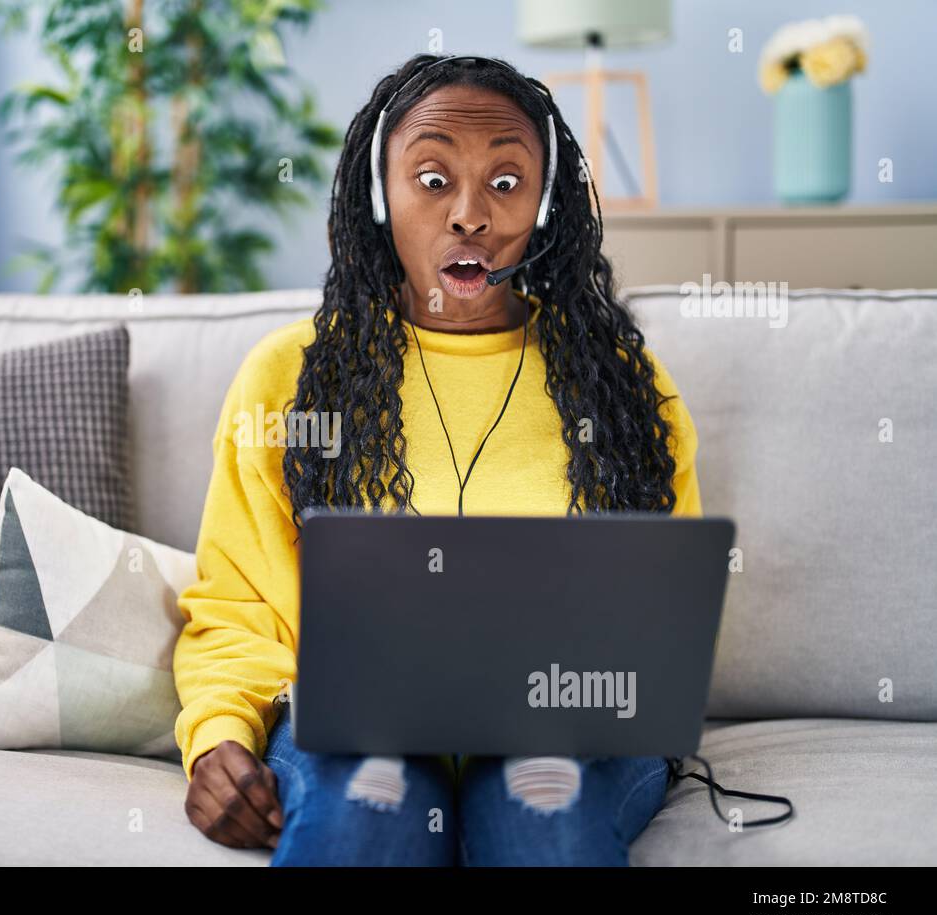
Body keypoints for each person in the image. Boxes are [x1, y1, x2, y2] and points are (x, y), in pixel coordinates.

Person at [173, 53, 701, 865]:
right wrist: (215, 737)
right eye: (430, 179)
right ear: (380, 199)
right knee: (363, 804)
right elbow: (236, 607)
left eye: (504, 182)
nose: (469, 215)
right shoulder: (289, 380)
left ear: (546, 204)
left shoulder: (625, 390)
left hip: (568, 721)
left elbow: (662, 623)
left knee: (538, 801)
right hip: (354, 723)